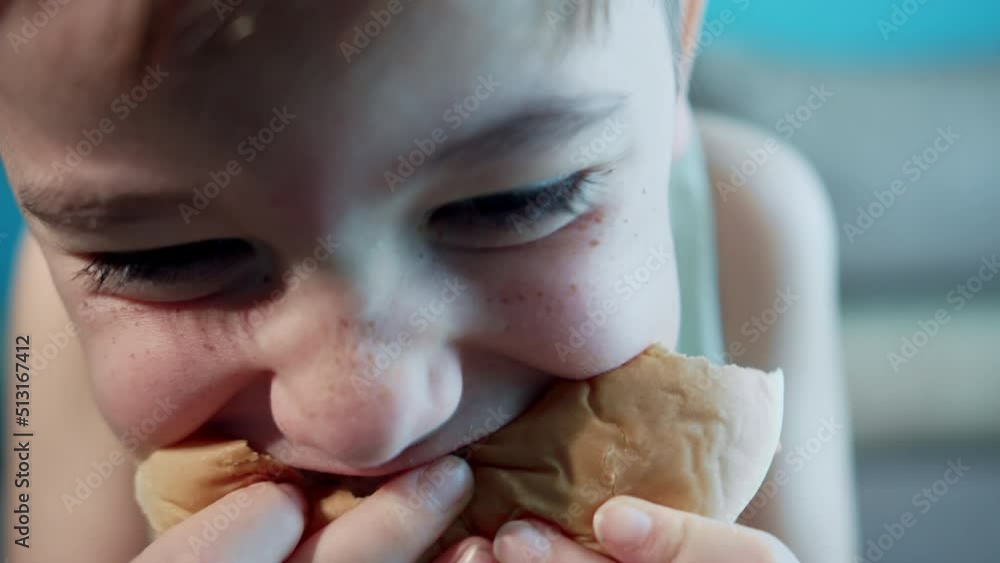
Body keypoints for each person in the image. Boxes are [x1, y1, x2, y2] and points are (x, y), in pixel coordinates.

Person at [0, 0, 857, 561]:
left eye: (511, 204)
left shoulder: (750, 226)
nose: (367, 416)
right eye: (165, 262)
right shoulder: (52, 312)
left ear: (677, 54)